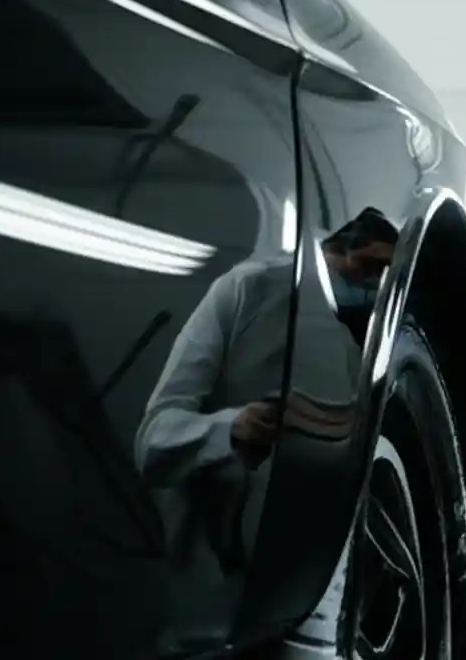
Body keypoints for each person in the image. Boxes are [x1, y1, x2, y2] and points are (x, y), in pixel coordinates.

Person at [134, 207, 397, 657]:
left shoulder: (370, 351)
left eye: (386, 276)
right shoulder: (247, 291)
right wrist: (230, 431)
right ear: (333, 249)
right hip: (205, 617)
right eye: (368, 266)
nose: (373, 286)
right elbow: (154, 443)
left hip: (309, 616)